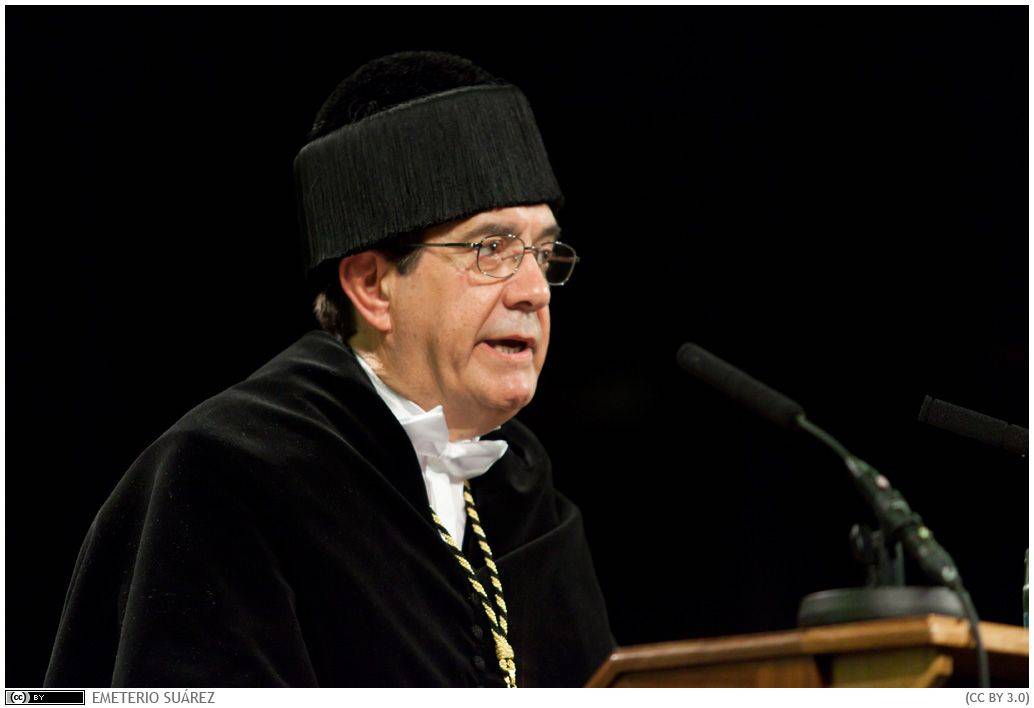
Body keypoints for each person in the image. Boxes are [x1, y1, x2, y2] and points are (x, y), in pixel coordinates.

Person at [44, 51, 615, 688]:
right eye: (492, 249)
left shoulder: (519, 482)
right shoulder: (229, 475)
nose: (534, 290)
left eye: (542, 253)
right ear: (372, 287)